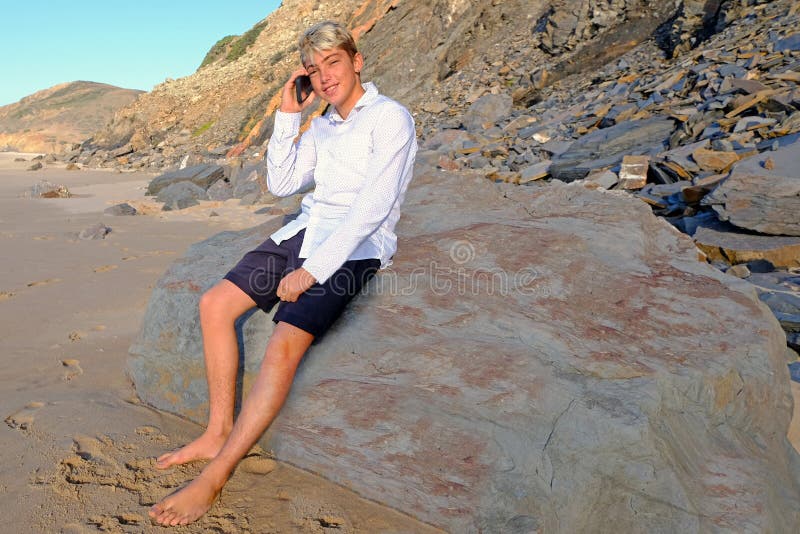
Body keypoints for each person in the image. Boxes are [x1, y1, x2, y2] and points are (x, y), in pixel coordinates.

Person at [147, 20, 417, 527]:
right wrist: (288, 116)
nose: (325, 76)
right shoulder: (324, 124)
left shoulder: (390, 119)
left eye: (333, 63)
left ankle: (216, 476)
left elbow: (372, 210)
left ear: (357, 61)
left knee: (283, 344)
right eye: (313, 70)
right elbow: (282, 183)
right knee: (214, 305)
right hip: (305, 229)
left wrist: (312, 272)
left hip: (357, 246)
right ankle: (216, 432)